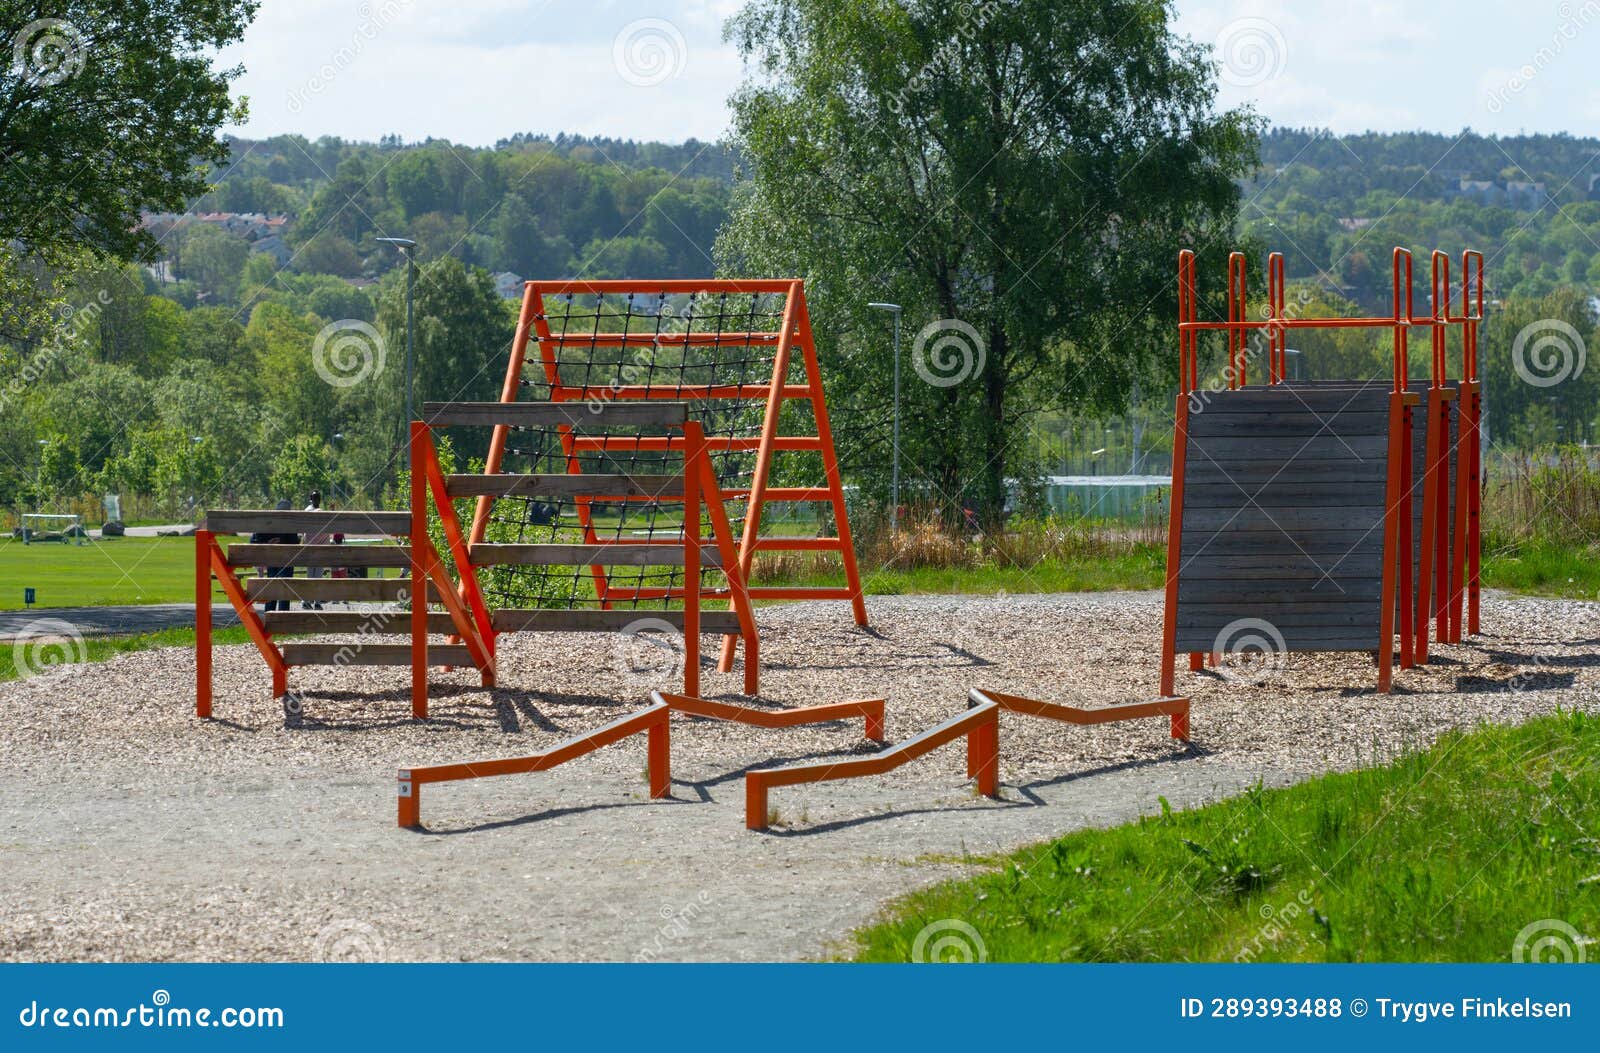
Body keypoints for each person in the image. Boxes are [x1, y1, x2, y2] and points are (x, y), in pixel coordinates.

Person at [251, 499, 299, 613]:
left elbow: (294, 543)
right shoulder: (268, 523)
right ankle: (270, 614)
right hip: (272, 560)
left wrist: (283, 543)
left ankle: (282, 617)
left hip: (286, 560)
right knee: (273, 587)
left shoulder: (290, 525)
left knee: (285, 589)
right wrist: (268, 543)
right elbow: (254, 541)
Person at [302, 490, 327, 610]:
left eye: (318, 498)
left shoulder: (316, 511)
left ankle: (315, 601)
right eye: (315, 498)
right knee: (312, 576)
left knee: (316, 576)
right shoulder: (309, 511)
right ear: (311, 499)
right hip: (313, 549)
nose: (316, 500)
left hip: (317, 548)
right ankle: (308, 600)